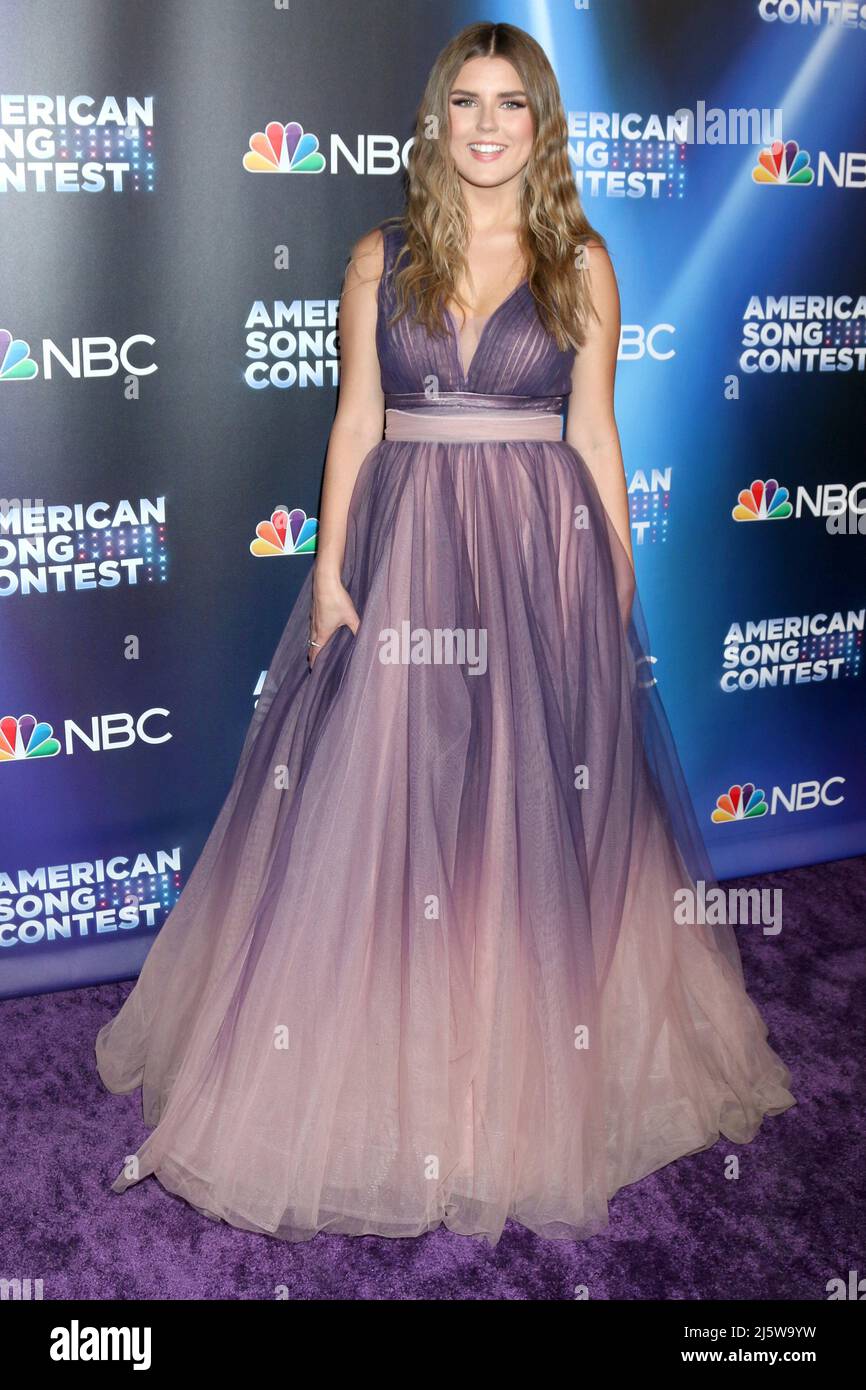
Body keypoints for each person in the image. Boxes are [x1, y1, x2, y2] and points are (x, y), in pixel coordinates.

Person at [95, 20, 795, 1245]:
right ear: (439, 118)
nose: (485, 124)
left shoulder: (580, 261)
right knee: (387, 807)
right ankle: (387, 1068)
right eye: (465, 100)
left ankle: (508, 1081)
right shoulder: (381, 256)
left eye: (509, 102)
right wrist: (327, 571)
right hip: (408, 554)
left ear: (540, 122)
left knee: (522, 817)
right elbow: (355, 422)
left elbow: (592, 435)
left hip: (542, 561)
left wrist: (615, 580)